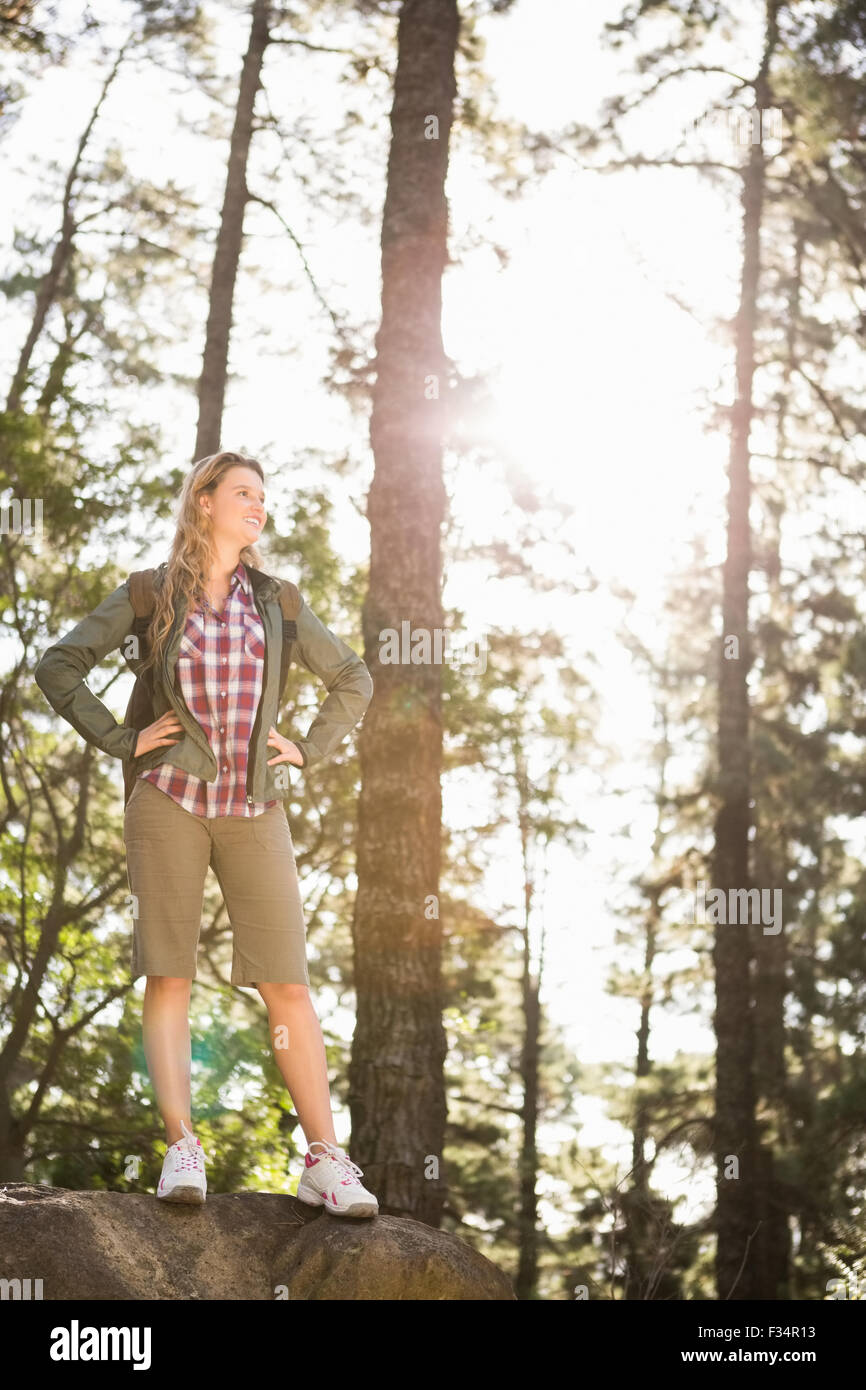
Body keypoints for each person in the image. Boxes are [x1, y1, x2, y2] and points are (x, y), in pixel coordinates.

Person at [34, 450, 378, 1218]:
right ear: (204, 503)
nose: (258, 506)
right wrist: (123, 742)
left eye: (263, 496)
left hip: (253, 807)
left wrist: (309, 746)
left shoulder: (278, 600)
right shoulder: (151, 593)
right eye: (244, 493)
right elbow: (60, 665)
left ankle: (325, 1161)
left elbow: (353, 676)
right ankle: (182, 1147)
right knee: (171, 973)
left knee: (287, 981)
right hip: (170, 800)